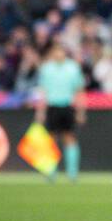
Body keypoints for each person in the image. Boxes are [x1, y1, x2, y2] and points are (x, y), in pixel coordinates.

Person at [34, 41, 87, 183]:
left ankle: (72, 173)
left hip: (67, 106)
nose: (58, 54)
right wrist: (40, 111)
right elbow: (42, 91)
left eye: (61, 51)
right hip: (52, 106)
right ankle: (51, 172)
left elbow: (79, 91)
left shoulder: (73, 68)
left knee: (69, 138)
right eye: (56, 51)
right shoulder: (46, 69)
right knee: (51, 140)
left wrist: (81, 111)